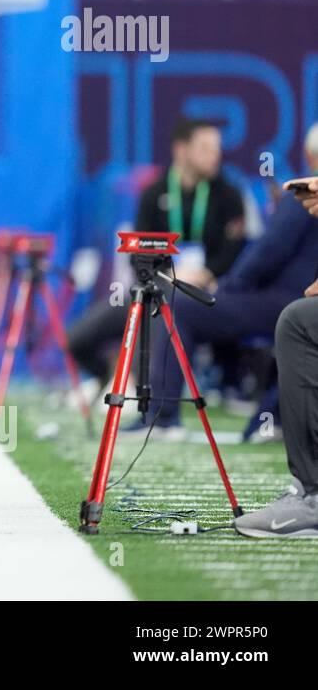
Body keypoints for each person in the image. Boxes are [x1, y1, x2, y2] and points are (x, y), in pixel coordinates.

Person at [137, 129, 318, 440]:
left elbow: (266, 255)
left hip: (288, 301)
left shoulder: (302, 193)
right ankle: (262, 408)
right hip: (295, 300)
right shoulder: (159, 192)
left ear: (309, 156)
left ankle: (162, 415)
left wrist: (227, 288)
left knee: (180, 305)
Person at [67, 118, 245, 385]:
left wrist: (207, 273)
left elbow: (235, 253)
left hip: (206, 291)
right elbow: (136, 253)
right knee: (76, 339)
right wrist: (170, 276)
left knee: (157, 310)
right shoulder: (154, 194)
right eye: (206, 148)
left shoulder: (230, 196)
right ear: (181, 150)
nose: (215, 155)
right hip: (157, 285)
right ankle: (108, 375)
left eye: (217, 148)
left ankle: (145, 390)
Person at [233, 162, 318, 538]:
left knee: (298, 323)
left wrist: (221, 289)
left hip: (265, 297)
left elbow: (261, 260)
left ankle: (314, 495)